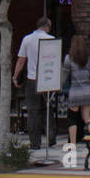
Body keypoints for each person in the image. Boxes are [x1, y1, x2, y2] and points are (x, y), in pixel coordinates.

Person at [12, 16, 54, 149]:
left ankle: (35, 142)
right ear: (46, 26)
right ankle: (51, 138)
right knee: (48, 109)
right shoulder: (51, 40)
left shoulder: (27, 39)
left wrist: (15, 76)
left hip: (32, 79)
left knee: (33, 111)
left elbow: (21, 60)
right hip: (47, 79)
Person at [62, 35, 90, 145]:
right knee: (87, 117)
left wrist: (58, 86)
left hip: (75, 91)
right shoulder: (88, 58)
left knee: (72, 118)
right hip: (87, 91)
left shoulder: (68, 58)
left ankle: (73, 143)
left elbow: (64, 75)